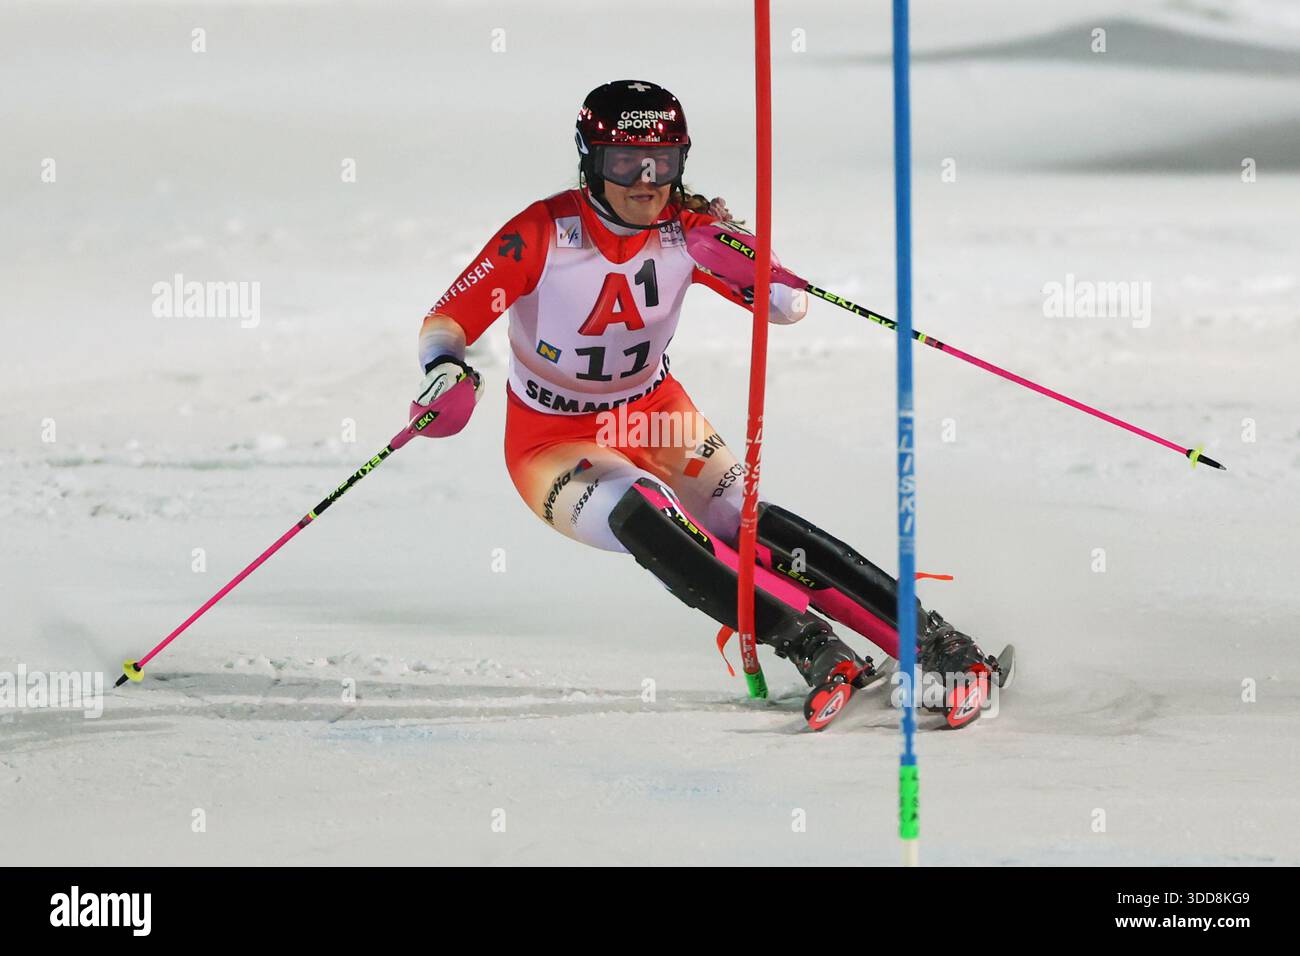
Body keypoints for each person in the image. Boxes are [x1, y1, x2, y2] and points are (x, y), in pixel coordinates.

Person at [413, 80, 1002, 729]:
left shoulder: (686, 231)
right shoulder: (542, 233)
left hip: (655, 412)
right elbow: (449, 318)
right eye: (624, 164)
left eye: (661, 164)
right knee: (640, 508)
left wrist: (757, 263)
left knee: (739, 518)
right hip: (551, 442)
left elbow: (785, 305)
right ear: (590, 159)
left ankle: (939, 645)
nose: (645, 182)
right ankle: (811, 646)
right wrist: (446, 368)